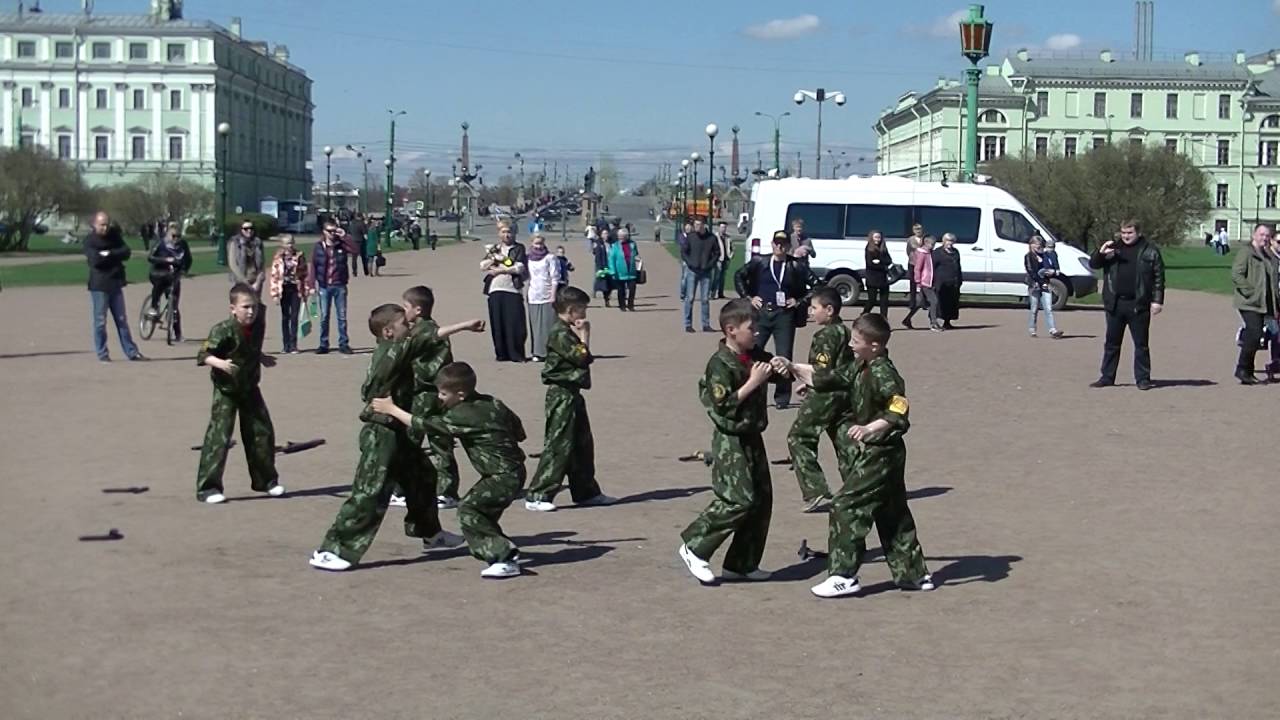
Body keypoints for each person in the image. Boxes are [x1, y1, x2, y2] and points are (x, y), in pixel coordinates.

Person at [786, 313, 935, 598]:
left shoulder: (882, 372)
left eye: (856, 341)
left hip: (881, 451)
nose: (851, 345)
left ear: (875, 345)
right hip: (884, 451)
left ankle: (843, 576)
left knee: (845, 505)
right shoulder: (861, 365)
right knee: (892, 512)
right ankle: (914, 574)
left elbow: (899, 408)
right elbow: (834, 377)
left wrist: (869, 428)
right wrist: (793, 368)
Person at [309, 304, 464, 571]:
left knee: (423, 477)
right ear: (389, 331)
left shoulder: (394, 349)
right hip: (382, 433)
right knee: (370, 492)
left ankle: (430, 534)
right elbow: (423, 340)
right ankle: (333, 550)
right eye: (405, 323)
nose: (410, 326)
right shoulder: (392, 351)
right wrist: (464, 326)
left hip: (398, 431)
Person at [370, 362, 529, 579]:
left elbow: (423, 424)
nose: (440, 397)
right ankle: (500, 547)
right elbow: (519, 429)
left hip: (502, 476)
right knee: (482, 513)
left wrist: (391, 410)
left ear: (461, 394)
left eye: (444, 393)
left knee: (469, 511)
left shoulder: (463, 415)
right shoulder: (492, 402)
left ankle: (504, 558)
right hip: (512, 471)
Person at [677, 298, 790, 584]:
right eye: (751, 329)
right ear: (730, 330)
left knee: (761, 502)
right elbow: (723, 406)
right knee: (738, 500)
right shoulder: (720, 364)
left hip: (753, 436)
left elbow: (774, 373)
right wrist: (753, 382)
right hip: (731, 440)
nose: (757, 334)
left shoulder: (752, 355)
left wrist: (781, 366)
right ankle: (694, 546)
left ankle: (741, 563)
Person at [523, 287, 614, 512]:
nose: (584, 314)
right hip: (561, 394)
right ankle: (538, 494)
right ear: (571, 310)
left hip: (573, 393)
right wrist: (585, 335)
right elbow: (581, 358)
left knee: (582, 445)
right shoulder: (560, 333)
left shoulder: (565, 330)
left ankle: (586, 492)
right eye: (582, 309)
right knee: (559, 444)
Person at [194, 284, 283, 504]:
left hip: (250, 387)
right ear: (233, 309)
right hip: (227, 390)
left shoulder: (257, 323)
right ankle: (208, 488)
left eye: (253, 307)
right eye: (245, 307)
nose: (250, 312)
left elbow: (248, 345)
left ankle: (266, 481)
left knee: (262, 432)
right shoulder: (222, 329)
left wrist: (261, 356)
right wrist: (220, 363)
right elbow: (203, 354)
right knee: (220, 436)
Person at [397, 286, 486, 509]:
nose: (403, 311)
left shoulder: (427, 330)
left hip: (426, 395)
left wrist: (465, 325)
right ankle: (444, 491)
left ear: (417, 309)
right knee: (439, 442)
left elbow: (431, 348)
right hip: (434, 394)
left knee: (413, 441)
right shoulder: (419, 328)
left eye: (406, 307)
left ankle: (407, 490)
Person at [786, 286, 855, 512]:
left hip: (826, 396)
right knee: (846, 443)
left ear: (829, 310)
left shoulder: (825, 335)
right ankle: (859, 486)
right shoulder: (845, 331)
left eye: (814, 308)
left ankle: (814, 489)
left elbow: (822, 371)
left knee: (798, 437)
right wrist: (807, 383)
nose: (810, 312)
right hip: (845, 394)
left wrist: (806, 378)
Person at [734, 230, 810, 409]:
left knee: (784, 356)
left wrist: (798, 301)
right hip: (761, 314)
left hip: (784, 316)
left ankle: (782, 398)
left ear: (788, 246)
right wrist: (749, 296)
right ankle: (752, 390)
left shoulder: (796, 265)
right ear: (772, 244)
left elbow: (816, 286)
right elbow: (739, 276)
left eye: (783, 243)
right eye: (777, 243)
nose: (780, 246)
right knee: (753, 352)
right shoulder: (760, 262)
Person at [1088, 220, 1165, 391]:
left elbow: (1159, 277)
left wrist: (1157, 301)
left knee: (1141, 344)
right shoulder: (1113, 249)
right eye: (1123, 233)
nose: (1126, 236)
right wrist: (1100, 253)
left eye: (1129, 233)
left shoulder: (1150, 251)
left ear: (1138, 232)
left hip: (1138, 304)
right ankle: (1107, 377)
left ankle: (1143, 378)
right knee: (1111, 343)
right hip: (1115, 303)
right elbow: (1093, 264)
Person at [83, 211, 145, 362]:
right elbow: (95, 261)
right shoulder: (89, 241)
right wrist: (111, 257)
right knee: (100, 321)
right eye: (102, 225)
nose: (105, 228)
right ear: (94, 224)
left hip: (115, 283)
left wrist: (109, 254)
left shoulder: (114, 236)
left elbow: (126, 252)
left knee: (122, 319)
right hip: (99, 285)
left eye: (106, 224)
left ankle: (131, 352)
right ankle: (102, 353)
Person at [1231, 223, 1278, 385]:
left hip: (1264, 302)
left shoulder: (1266, 255)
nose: (1264, 238)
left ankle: (1247, 372)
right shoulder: (1246, 252)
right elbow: (1237, 274)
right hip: (1249, 302)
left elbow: (1271, 280)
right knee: (1255, 333)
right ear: (1254, 235)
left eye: (1267, 235)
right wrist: (1249, 291)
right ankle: (1242, 369)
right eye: (1261, 234)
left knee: (1256, 336)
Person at [481, 221, 529, 362]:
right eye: (503, 232)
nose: (506, 235)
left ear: (514, 233)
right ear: (499, 233)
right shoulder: (494, 248)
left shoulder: (519, 248)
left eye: (509, 232)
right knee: (498, 322)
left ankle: (516, 353)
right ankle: (501, 353)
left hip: (512, 288)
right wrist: (494, 258)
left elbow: (519, 267)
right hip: (495, 288)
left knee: (515, 323)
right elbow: (483, 266)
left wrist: (501, 266)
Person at [312, 221, 353, 355]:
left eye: (334, 231)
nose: (332, 234)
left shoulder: (341, 244)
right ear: (324, 231)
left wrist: (344, 236)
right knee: (324, 316)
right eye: (329, 231)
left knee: (342, 316)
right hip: (324, 286)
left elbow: (355, 250)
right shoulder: (319, 247)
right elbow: (313, 266)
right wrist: (311, 285)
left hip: (339, 284)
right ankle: (323, 343)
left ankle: (344, 343)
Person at [146, 225, 193, 340]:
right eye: (173, 236)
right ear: (168, 235)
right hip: (159, 272)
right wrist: (165, 260)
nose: (176, 239)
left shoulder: (183, 245)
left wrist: (184, 270)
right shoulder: (160, 243)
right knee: (158, 286)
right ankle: (153, 306)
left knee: (175, 305)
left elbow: (189, 259)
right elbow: (150, 257)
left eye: (179, 236)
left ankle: (178, 334)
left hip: (174, 275)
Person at [268, 234, 311, 354]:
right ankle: (285, 345)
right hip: (284, 288)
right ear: (282, 244)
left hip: (295, 288)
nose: (290, 245)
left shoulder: (299, 255)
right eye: (287, 243)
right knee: (285, 317)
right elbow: (274, 276)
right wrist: (275, 294)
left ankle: (293, 344)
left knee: (294, 316)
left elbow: (304, 274)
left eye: (292, 242)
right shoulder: (278, 258)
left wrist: (305, 289)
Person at [682, 218, 721, 333]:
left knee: (705, 299)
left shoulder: (711, 238)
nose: (696, 227)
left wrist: (710, 264)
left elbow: (717, 253)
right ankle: (688, 324)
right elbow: (684, 251)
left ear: (704, 225)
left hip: (706, 271)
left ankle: (706, 324)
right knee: (690, 298)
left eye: (699, 224)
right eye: (695, 224)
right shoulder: (691, 237)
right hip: (692, 270)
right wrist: (690, 262)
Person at [526, 234, 560, 361]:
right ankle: (537, 352)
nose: (538, 246)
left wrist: (553, 294)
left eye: (540, 243)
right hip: (533, 294)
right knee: (535, 326)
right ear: (531, 243)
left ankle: (551, 351)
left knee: (548, 324)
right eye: (536, 243)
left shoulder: (550, 258)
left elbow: (555, 277)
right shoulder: (528, 258)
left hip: (547, 293)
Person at [1025, 235, 1064, 339]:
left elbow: (1049, 267)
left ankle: (1053, 330)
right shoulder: (1028, 257)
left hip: (1045, 284)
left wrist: (1051, 272)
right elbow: (1031, 271)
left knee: (1048, 308)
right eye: (1035, 244)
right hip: (1034, 285)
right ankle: (1032, 329)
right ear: (1031, 245)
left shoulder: (1045, 255)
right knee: (1034, 309)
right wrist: (1039, 279)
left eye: (1039, 244)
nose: (1038, 246)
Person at [905, 235, 941, 332]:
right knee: (934, 301)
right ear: (926, 243)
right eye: (931, 244)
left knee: (919, 302)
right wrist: (918, 281)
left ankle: (907, 319)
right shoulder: (922, 253)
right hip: (924, 281)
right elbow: (917, 268)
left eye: (934, 244)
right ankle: (934, 323)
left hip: (929, 281)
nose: (933, 246)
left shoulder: (929, 253)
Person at [931, 233, 963, 329]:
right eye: (948, 241)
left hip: (953, 281)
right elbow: (932, 267)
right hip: (941, 282)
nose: (950, 243)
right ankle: (935, 322)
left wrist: (960, 279)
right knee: (940, 303)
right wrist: (932, 281)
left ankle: (947, 322)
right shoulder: (937, 252)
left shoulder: (956, 252)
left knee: (952, 303)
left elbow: (958, 266)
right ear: (943, 241)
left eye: (952, 241)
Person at [229, 221, 266, 299]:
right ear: (241, 230)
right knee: (242, 302)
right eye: (246, 229)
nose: (249, 231)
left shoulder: (258, 243)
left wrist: (258, 281)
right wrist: (244, 281)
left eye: (251, 228)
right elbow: (233, 264)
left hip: (255, 278)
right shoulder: (235, 243)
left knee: (256, 303)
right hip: (240, 279)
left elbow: (262, 264)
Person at [607, 227, 641, 312]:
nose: (620, 238)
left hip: (631, 272)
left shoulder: (632, 244)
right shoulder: (615, 246)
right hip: (619, 273)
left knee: (632, 290)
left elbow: (636, 254)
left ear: (627, 237)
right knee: (621, 290)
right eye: (619, 237)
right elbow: (611, 259)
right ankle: (622, 306)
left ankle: (630, 305)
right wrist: (612, 271)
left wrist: (638, 262)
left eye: (622, 237)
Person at [902, 223, 928, 329]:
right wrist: (914, 258)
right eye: (916, 229)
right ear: (913, 230)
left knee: (924, 282)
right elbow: (909, 251)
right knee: (912, 283)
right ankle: (912, 303)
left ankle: (924, 301)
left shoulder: (925, 239)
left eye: (920, 229)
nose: (918, 230)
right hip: (913, 263)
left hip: (923, 263)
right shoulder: (911, 239)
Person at [862, 230, 893, 318]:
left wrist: (880, 262)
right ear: (871, 238)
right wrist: (882, 266)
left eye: (879, 237)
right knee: (872, 300)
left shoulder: (884, 248)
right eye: (876, 237)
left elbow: (889, 260)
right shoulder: (869, 249)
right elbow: (870, 264)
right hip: (872, 278)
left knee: (884, 301)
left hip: (883, 278)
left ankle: (884, 319)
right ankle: (864, 314)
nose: (877, 239)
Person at [712, 221, 734, 300]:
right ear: (719, 228)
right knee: (716, 277)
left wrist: (731, 255)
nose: (723, 229)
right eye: (721, 227)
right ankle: (713, 293)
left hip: (726, 259)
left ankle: (720, 293)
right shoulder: (715, 237)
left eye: (724, 227)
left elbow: (731, 247)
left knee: (723, 278)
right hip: (719, 259)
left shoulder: (728, 238)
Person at [591, 228, 612, 307]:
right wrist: (600, 267)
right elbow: (596, 255)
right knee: (602, 281)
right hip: (602, 265)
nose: (606, 235)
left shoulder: (610, 243)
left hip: (610, 265)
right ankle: (602, 296)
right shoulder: (599, 243)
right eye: (604, 233)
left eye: (606, 233)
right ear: (601, 235)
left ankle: (607, 298)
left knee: (610, 283)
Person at [677, 220, 693, 301]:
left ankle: (688, 294)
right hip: (685, 260)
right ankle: (683, 294)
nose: (688, 229)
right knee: (685, 277)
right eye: (687, 228)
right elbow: (683, 246)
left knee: (691, 278)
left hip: (692, 259)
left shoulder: (693, 236)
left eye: (690, 228)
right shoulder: (682, 236)